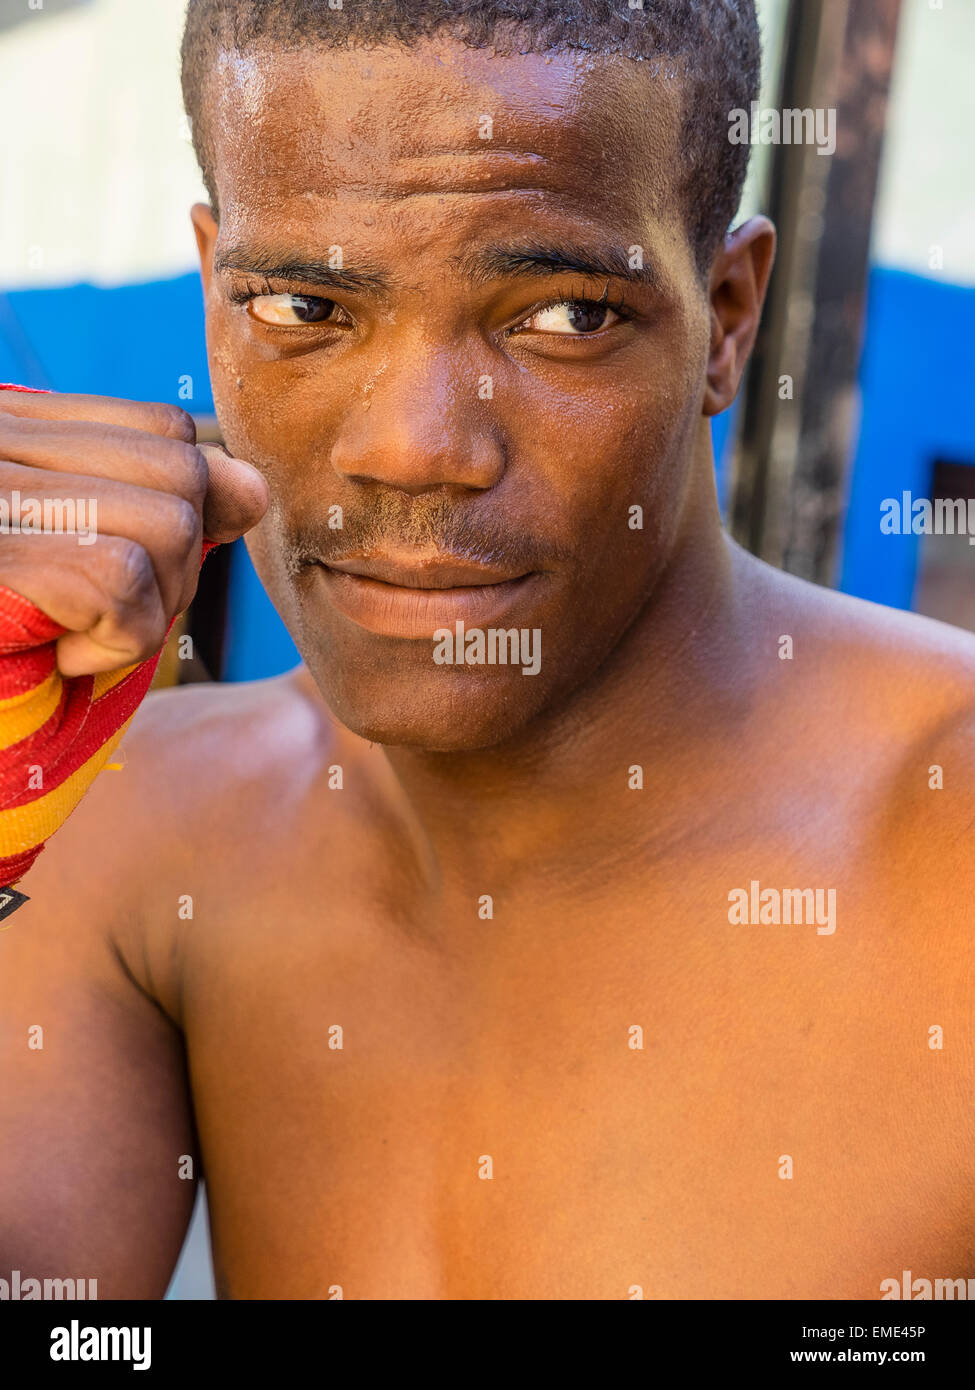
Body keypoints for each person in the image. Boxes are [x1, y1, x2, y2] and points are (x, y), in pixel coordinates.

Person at [1, 0, 972, 1301]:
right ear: (212, 288)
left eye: (565, 315)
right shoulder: (123, 818)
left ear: (726, 319)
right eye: (304, 303)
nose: (413, 447)